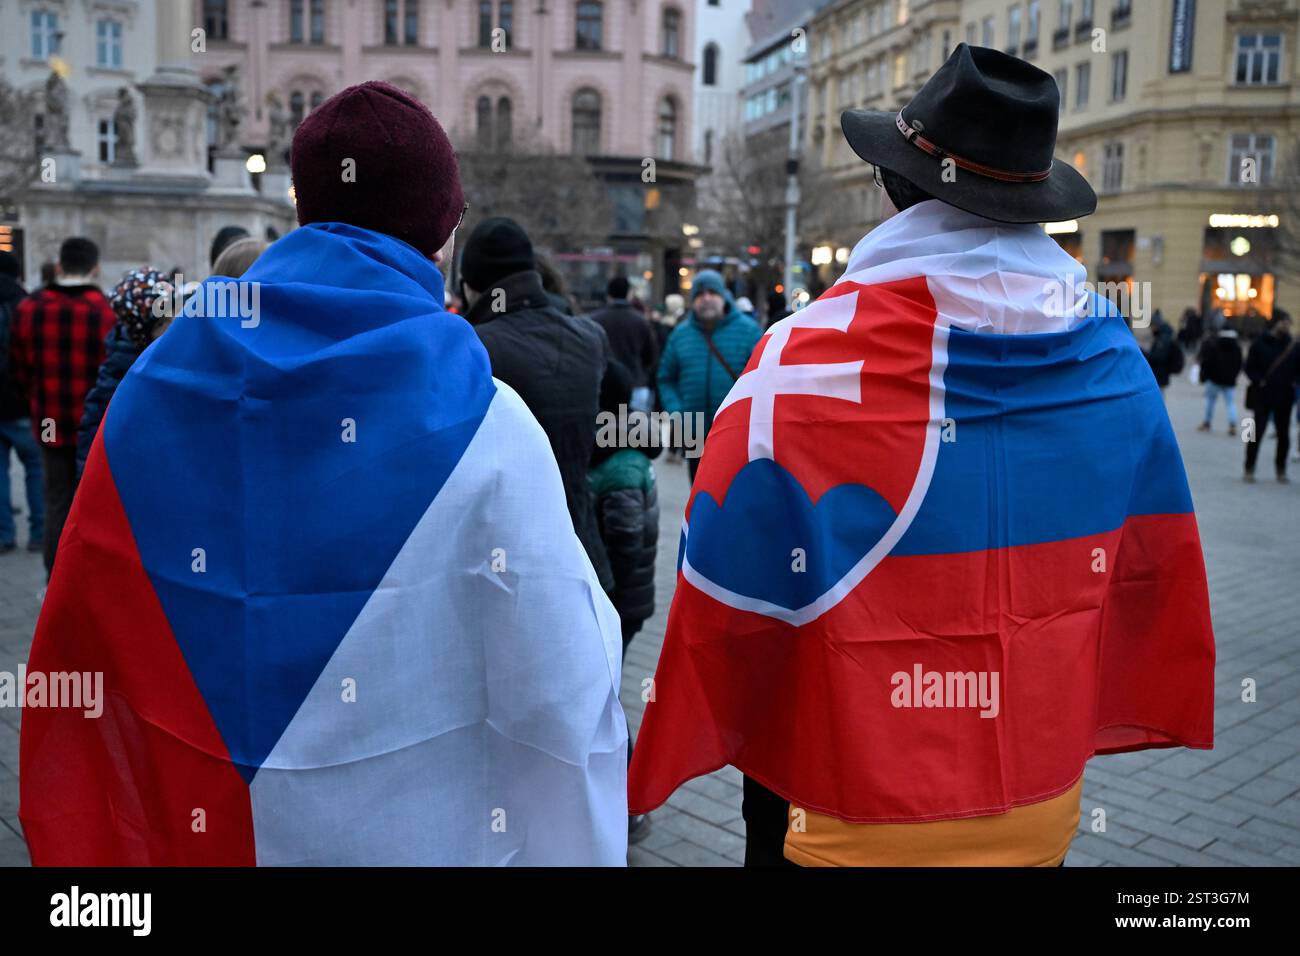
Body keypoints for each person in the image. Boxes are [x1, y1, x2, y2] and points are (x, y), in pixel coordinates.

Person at [627, 44, 1215, 867]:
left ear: (894, 187)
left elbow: (725, 577)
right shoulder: (1113, 359)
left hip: (841, 806)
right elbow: (1147, 564)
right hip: (1038, 797)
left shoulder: (801, 356)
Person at [20, 81, 627, 866]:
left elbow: (82, 630)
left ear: (302, 207)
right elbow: (560, 692)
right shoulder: (490, 424)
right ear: (444, 234)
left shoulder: (151, 393)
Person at [459, 216, 615, 595]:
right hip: (583, 558)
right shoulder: (591, 339)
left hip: (504, 574)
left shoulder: (472, 349)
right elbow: (610, 428)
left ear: (470, 284)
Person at [7, 237, 113, 575]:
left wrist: (36, 402)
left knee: (56, 501)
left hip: (50, 420)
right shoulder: (105, 312)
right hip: (94, 428)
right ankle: (85, 578)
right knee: (91, 505)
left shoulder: (30, 308)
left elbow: (19, 370)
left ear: (59, 266)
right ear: (95, 268)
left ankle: (56, 579)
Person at [589, 358, 660, 844]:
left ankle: (630, 802)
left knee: (604, 697)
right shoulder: (623, 452)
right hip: (627, 599)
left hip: (621, 601)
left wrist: (601, 596)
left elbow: (626, 539)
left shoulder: (621, 465)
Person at [656, 270, 762, 479]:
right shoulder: (680, 335)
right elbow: (665, 378)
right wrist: (678, 412)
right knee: (698, 500)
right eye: (699, 294)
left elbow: (763, 379)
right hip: (694, 434)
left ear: (723, 296)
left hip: (736, 434)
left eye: (712, 292)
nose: (706, 299)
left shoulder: (749, 332)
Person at [75, 269, 175, 477]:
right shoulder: (121, 369)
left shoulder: (160, 352)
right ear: (150, 325)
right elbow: (94, 427)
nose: (175, 320)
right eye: (167, 317)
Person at [0, 251, 43, 554]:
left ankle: (4, 535)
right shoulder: (27, 306)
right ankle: (39, 533)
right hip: (23, 404)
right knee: (35, 468)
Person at [1243, 310, 1298, 483]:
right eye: (1285, 322)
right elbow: (1249, 367)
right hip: (1262, 394)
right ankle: (1249, 467)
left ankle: (1280, 469)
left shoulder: (1293, 346)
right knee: (1254, 433)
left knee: (1284, 434)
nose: (1287, 326)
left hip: (1285, 395)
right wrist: (1258, 381)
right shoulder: (1259, 343)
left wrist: (1294, 382)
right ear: (1276, 322)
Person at [590, 276, 659, 411]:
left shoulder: (594, 320)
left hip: (602, 387)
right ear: (628, 294)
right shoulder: (641, 321)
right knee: (637, 430)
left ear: (608, 294)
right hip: (636, 384)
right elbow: (650, 356)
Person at [1196, 316, 1243, 434]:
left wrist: (1206, 375)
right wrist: (1234, 375)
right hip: (1230, 380)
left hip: (1214, 379)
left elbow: (1208, 362)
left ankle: (1207, 422)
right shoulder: (1237, 347)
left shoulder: (1214, 344)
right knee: (1230, 403)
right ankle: (1232, 425)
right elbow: (1239, 364)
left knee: (1210, 402)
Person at [1143, 310, 1183, 394]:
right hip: (1161, 374)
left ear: (1156, 326)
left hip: (1160, 374)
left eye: (1152, 326)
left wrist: (1144, 353)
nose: (1151, 329)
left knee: (1159, 398)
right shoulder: (1163, 336)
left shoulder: (1163, 339)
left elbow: (1159, 357)